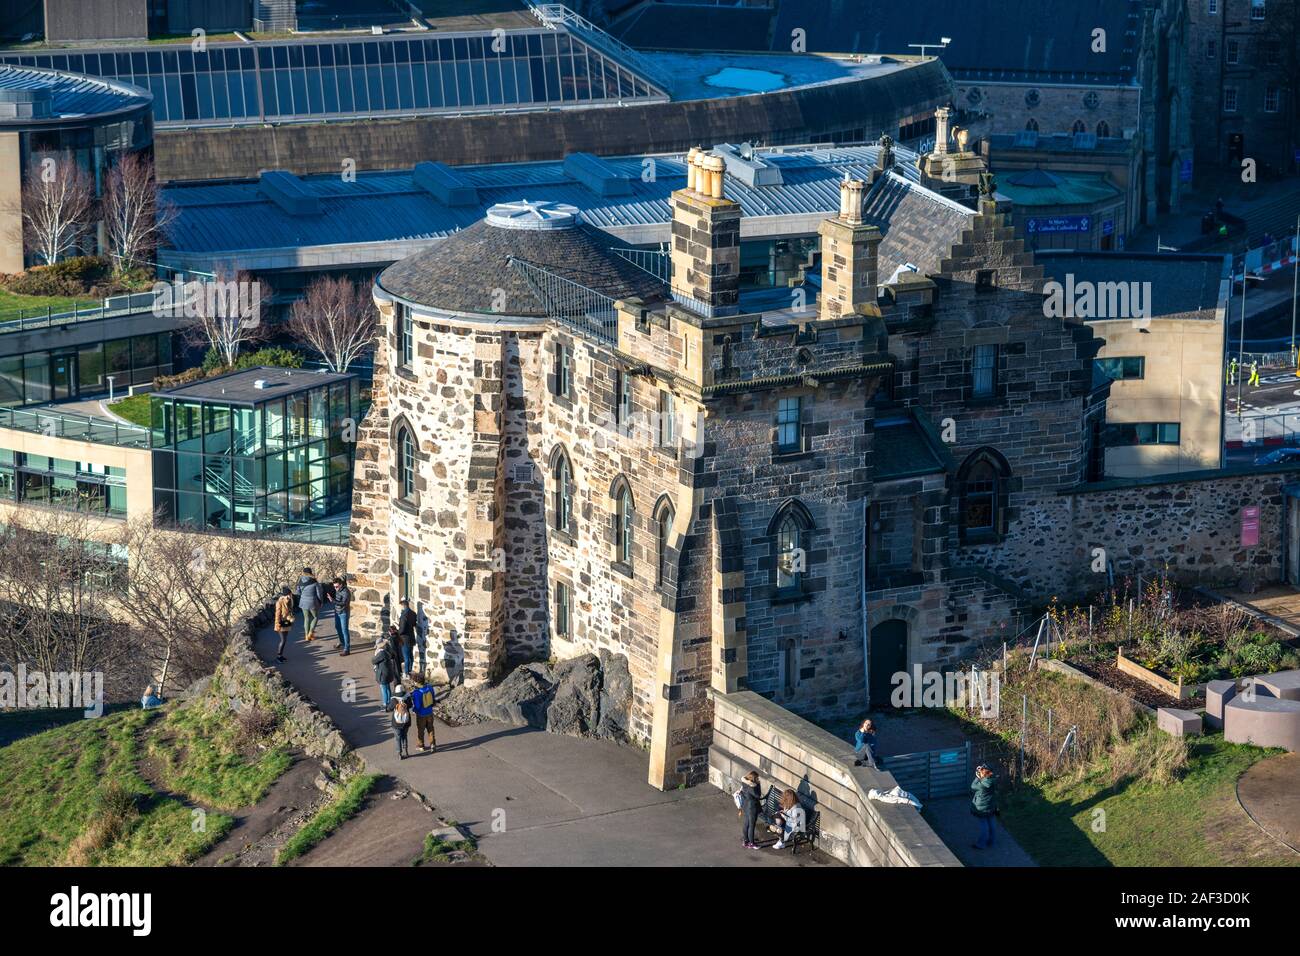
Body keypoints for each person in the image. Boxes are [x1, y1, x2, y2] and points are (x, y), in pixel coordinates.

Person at [970, 764, 998, 850]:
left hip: (981, 808)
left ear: (984, 774)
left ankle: (982, 844)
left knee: (984, 826)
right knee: (992, 824)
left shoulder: (981, 785)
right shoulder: (994, 780)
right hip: (991, 806)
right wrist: (982, 776)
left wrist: (978, 777)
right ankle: (992, 841)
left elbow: (973, 786)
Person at [409, 673, 438, 753]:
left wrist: (414, 710)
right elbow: (433, 699)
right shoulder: (430, 688)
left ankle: (421, 745)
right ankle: (433, 744)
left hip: (421, 714)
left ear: (416, 682)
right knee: (430, 728)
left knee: (421, 730)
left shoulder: (416, 692)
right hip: (430, 712)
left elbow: (417, 706)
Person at [735, 770, 762, 849]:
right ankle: (752, 843)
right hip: (752, 808)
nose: (758, 779)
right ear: (753, 779)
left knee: (746, 824)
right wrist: (758, 785)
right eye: (757, 778)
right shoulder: (752, 787)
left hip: (746, 806)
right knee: (751, 825)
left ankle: (745, 841)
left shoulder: (744, 783)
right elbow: (758, 795)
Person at [298, 568, 324, 641]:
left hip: (303, 602)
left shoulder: (300, 580)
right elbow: (319, 593)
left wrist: (303, 596)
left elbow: (298, 592)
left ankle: (306, 635)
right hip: (312, 602)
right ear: (311, 573)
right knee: (315, 617)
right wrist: (321, 602)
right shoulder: (314, 582)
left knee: (306, 618)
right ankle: (310, 633)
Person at [388, 687, 412, 760]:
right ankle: (406, 751)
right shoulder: (407, 698)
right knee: (405, 736)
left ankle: (399, 754)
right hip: (406, 722)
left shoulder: (394, 699)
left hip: (396, 723)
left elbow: (390, 708)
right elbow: (410, 705)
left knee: (398, 738)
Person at [372, 637, 397, 708]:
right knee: (388, 688)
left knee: (384, 689)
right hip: (388, 672)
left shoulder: (381, 653)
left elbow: (373, 661)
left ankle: (385, 704)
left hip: (383, 674)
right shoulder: (387, 650)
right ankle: (389, 702)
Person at [273, 585, 295, 663]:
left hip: (286, 622)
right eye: (290, 593)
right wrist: (278, 623)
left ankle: (281, 656)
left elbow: (289, 611)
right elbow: (277, 614)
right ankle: (278, 657)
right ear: (287, 594)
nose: (291, 594)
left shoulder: (290, 600)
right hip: (280, 623)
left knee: (284, 640)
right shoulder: (280, 602)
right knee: (283, 640)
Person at [396, 598, 417, 677]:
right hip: (412, 637)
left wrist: (398, 633)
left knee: (406, 656)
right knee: (411, 655)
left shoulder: (404, 615)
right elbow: (414, 624)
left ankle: (407, 673)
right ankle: (410, 671)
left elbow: (402, 628)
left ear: (403, 605)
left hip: (405, 638)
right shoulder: (413, 613)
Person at [333, 576, 352, 656]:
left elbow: (344, 603)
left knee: (344, 630)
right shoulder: (338, 590)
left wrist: (332, 600)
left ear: (341, 585)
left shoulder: (346, 592)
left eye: (336, 586)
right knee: (337, 627)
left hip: (343, 612)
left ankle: (347, 649)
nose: (335, 588)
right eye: (334, 587)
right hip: (337, 611)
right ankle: (342, 642)